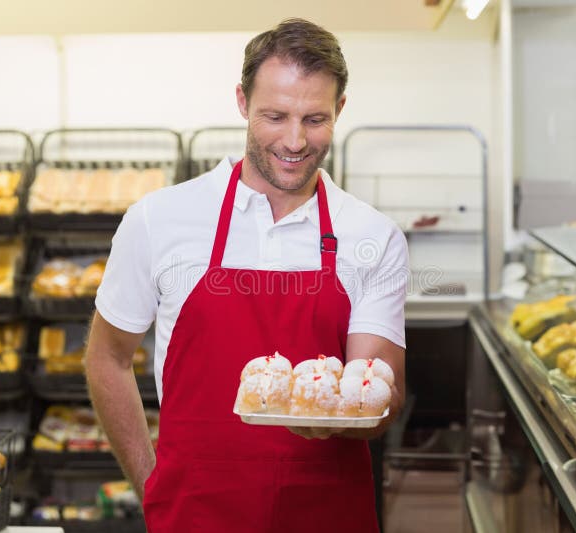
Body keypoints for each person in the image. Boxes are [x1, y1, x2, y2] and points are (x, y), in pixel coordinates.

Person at [85, 18, 408, 533]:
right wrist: (153, 486)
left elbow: (378, 394)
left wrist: (354, 410)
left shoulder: (373, 234)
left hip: (326, 513)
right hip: (194, 514)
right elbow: (108, 356)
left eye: (316, 118)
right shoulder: (160, 218)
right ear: (242, 101)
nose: (295, 140)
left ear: (341, 109)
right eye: (275, 116)